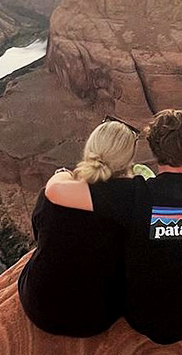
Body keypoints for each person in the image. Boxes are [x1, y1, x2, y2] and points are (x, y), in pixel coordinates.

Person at [45, 109, 182, 344]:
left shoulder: (136, 195)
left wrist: (63, 174)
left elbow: (55, 191)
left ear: (153, 149)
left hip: (142, 317)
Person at [17, 118, 142, 337]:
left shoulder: (55, 195)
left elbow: (39, 235)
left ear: (89, 150)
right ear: (129, 161)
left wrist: (63, 174)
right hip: (94, 319)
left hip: (36, 304)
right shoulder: (135, 206)